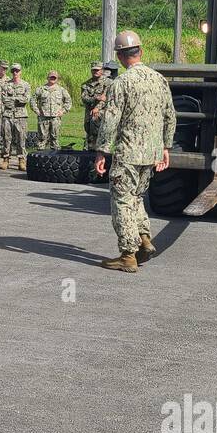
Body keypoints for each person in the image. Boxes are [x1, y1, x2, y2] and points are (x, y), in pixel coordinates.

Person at [94, 30, 176, 273]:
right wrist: (165, 147)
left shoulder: (122, 83)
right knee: (136, 197)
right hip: (150, 153)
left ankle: (128, 255)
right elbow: (170, 115)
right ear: (140, 51)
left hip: (128, 152)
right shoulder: (159, 80)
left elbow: (110, 119)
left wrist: (101, 151)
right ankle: (144, 240)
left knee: (121, 199)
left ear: (120, 56)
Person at [0, 63, 31, 171]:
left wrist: (13, 99)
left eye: (17, 71)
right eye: (13, 71)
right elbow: (4, 100)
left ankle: (21, 160)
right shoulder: (6, 85)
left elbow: (26, 99)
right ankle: (5, 159)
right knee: (6, 137)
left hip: (21, 116)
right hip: (8, 115)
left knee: (21, 138)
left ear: (20, 71)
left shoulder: (26, 85)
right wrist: (17, 99)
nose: (15, 73)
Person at [32, 70, 72, 150]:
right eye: (51, 77)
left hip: (55, 118)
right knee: (42, 138)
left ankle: (55, 157)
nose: (52, 79)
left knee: (55, 138)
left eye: (54, 77)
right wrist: (37, 111)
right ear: (48, 78)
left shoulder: (61, 90)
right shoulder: (41, 89)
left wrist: (63, 111)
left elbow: (68, 101)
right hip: (43, 117)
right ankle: (40, 156)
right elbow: (33, 100)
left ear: (57, 79)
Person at [81, 62, 110, 151]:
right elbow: (84, 99)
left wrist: (97, 108)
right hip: (89, 113)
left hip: (103, 113)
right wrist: (96, 97)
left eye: (97, 70)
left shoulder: (109, 83)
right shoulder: (85, 85)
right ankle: (89, 152)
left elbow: (107, 98)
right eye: (94, 70)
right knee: (89, 133)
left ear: (102, 70)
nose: (95, 72)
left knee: (101, 133)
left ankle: (101, 152)